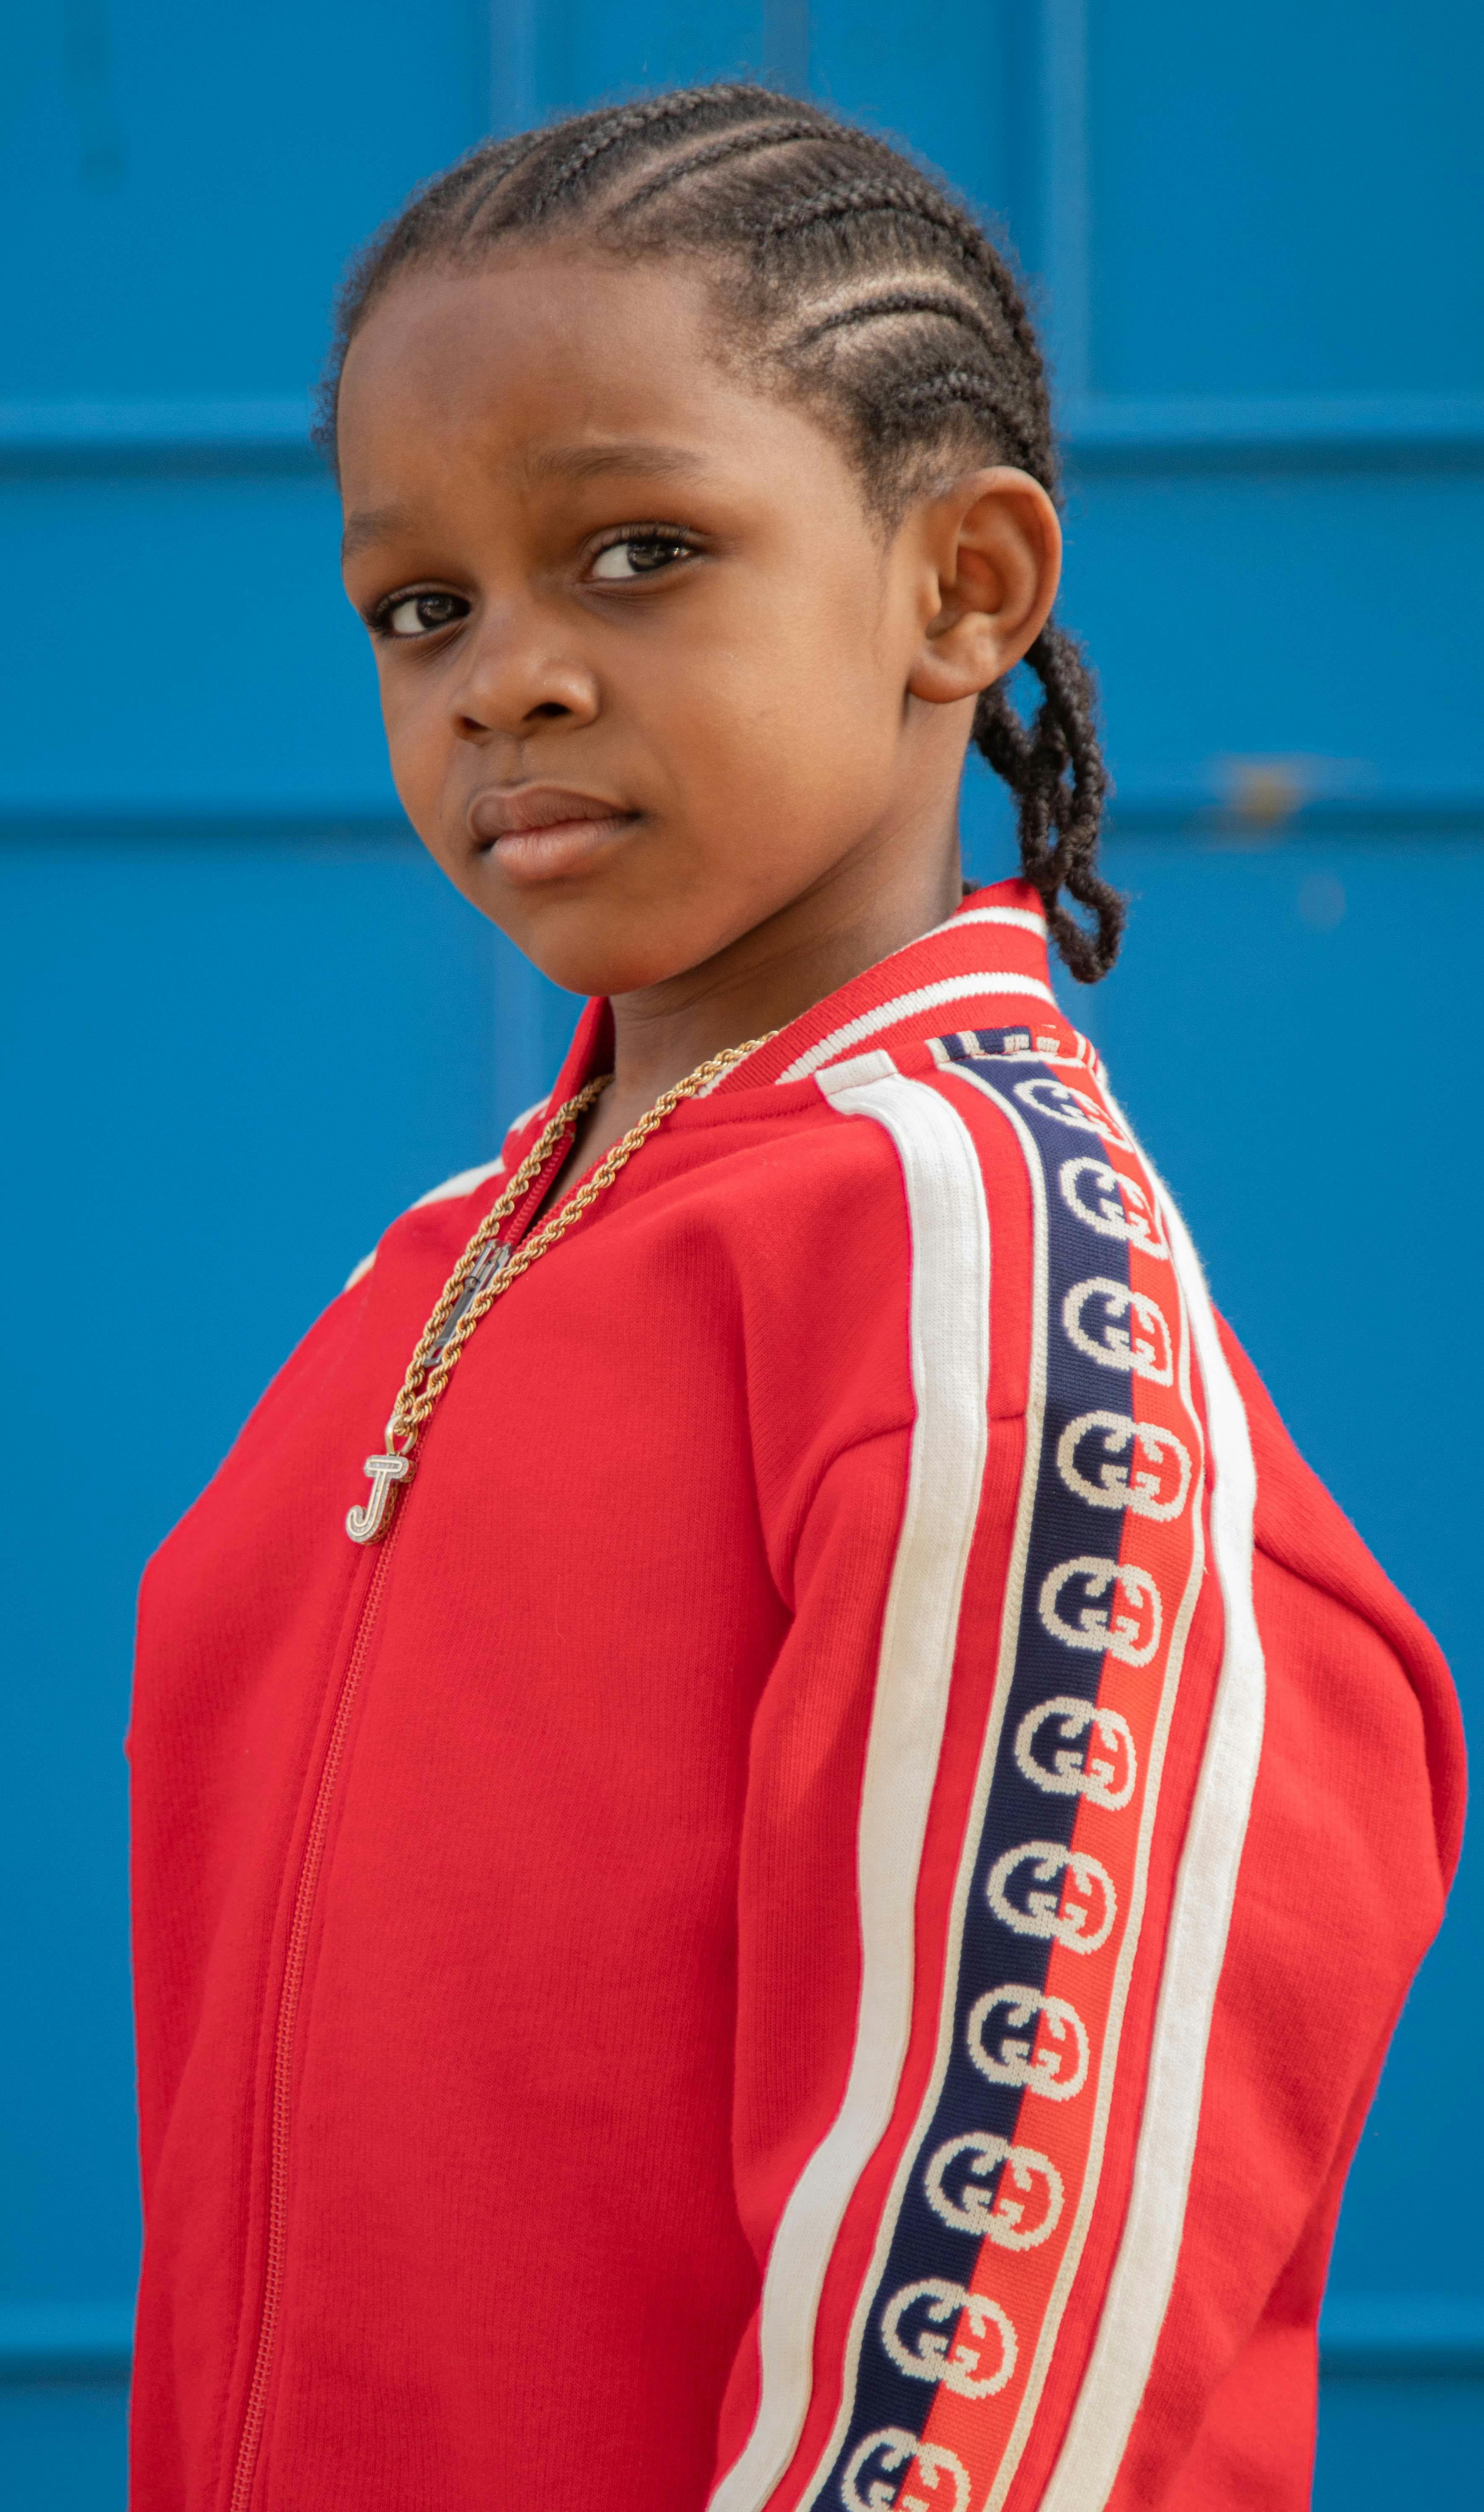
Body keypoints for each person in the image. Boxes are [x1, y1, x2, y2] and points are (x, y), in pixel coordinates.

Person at [124, 83, 1464, 2512]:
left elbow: (992, 2380)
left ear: (964, 585)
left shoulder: (981, 1284)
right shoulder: (431, 1267)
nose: (499, 680)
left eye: (635, 550)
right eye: (419, 606)